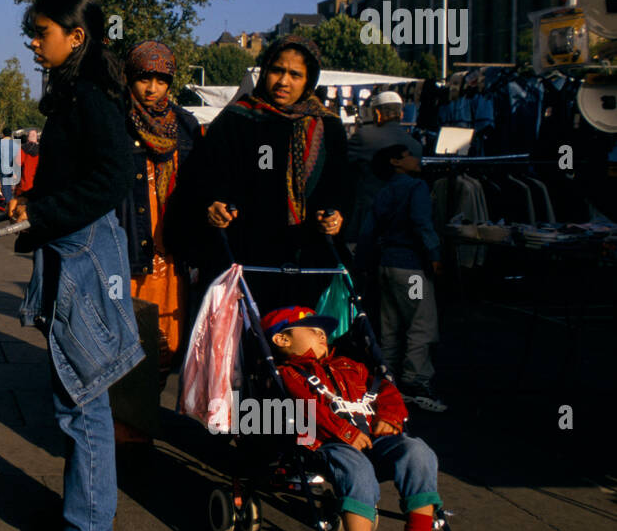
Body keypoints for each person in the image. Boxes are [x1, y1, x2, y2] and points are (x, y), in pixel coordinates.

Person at [7, 0, 143, 531]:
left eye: (42, 33)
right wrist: (34, 201)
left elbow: (112, 178)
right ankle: (86, 519)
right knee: (77, 394)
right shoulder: (75, 96)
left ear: (77, 36)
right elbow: (79, 175)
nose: (34, 44)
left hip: (84, 259)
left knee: (81, 398)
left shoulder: (89, 98)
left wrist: (42, 211)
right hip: (74, 253)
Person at [263, 306, 447, 531]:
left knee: (417, 452)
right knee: (355, 468)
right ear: (282, 340)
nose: (322, 335)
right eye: (312, 330)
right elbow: (307, 408)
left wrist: (390, 416)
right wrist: (345, 431)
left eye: (324, 332)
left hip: (373, 437)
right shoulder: (288, 374)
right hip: (328, 444)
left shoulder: (350, 366)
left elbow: (384, 388)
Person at [187, 35, 349, 308]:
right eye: (277, 70)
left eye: (295, 75)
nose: (284, 81)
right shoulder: (236, 119)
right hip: (245, 260)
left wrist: (336, 215)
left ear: (309, 80)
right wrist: (214, 203)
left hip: (308, 260)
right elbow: (205, 176)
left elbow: (342, 185)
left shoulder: (328, 126)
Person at [117, 41, 201, 395]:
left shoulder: (185, 125)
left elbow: (200, 181)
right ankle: (128, 433)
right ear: (129, 78)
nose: (152, 89)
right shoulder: (114, 121)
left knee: (172, 342)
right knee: (129, 342)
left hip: (172, 252)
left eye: (161, 80)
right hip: (130, 249)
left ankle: (144, 412)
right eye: (143, 79)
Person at [356, 145, 447, 413]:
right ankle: (415, 383)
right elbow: (421, 222)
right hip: (412, 270)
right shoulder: (415, 187)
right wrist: (434, 254)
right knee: (421, 323)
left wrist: (361, 265)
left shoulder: (384, 191)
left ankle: (389, 381)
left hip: (387, 267)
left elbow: (368, 230)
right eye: (409, 155)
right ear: (396, 161)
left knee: (391, 326)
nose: (416, 159)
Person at [345, 90, 423, 244]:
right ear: (401, 114)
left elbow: (342, 165)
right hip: (401, 225)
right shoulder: (416, 146)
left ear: (377, 114)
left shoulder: (364, 136)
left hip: (366, 220)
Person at [18, 128, 40, 195]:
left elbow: (18, 164)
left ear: (28, 137)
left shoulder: (23, 149)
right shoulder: (43, 149)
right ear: (36, 138)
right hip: (38, 182)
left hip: (25, 182)